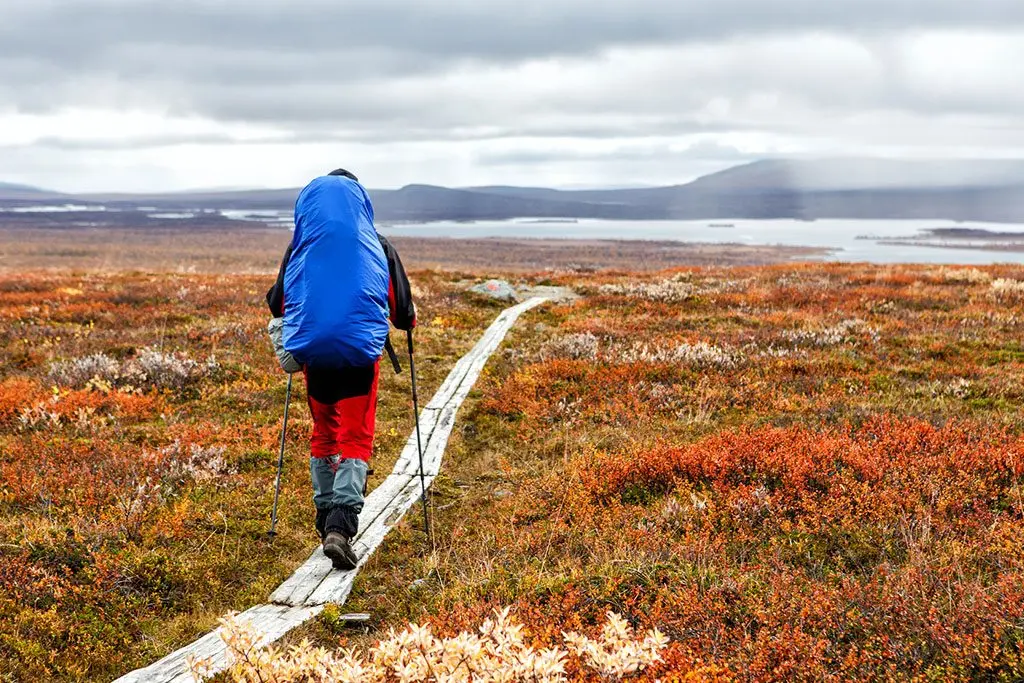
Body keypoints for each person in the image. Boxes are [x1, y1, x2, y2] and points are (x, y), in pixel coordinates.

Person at [266, 168, 415, 570]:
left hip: (315, 355)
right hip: (359, 357)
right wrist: (407, 323)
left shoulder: (301, 245)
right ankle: (341, 524)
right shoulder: (376, 244)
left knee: (325, 432)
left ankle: (323, 517)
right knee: (356, 434)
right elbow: (402, 308)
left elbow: (277, 302)